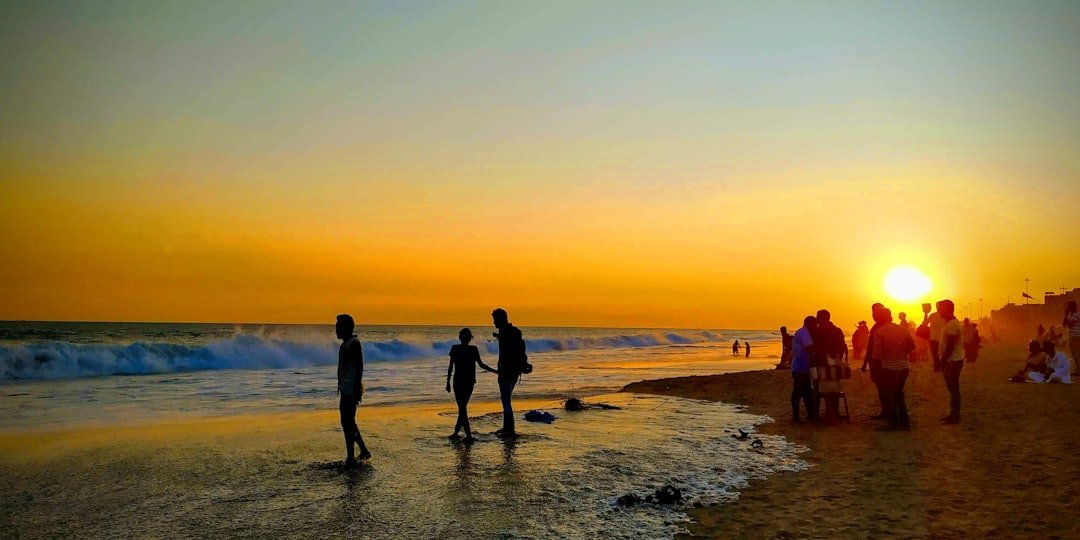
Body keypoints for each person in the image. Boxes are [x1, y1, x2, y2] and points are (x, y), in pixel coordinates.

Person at [446, 328, 498, 442]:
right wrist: (495, 371)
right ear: (470, 338)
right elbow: (481, 365)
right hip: (466, 382)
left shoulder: (457, 348)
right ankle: (459, 433)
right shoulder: (471, 349)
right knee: (462, 407)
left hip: (460, 381)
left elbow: (451, 367)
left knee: (462, 408)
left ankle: (464, 434)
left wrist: (448, 382)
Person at [871, 308, 916, 430]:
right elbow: (912, 346)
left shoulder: (880, 332)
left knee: (891, 395)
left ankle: (895, 423)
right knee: (899, 394)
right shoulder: (902, 329)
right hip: (904, 367)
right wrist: (901, 353)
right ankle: (904, 421)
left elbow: (876, 354)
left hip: (890, 368)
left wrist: (876, 369)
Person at [336, 314, 371, 467]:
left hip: (351, 389)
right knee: (347, 422)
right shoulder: (345, 345)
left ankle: (351, 456)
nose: (336, 329)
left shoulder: (353, 343)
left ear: (346, 328)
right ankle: (362, 451)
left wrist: (357, 388)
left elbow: (359, 367)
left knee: (347, 421)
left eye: (338, 326)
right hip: (346, 388)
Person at [492, 308, 528, 437]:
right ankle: (507, 427)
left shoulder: (507, 333)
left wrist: (500, 337)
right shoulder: (513, 332)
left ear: (501, 319)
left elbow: (511, 349)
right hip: (514, 370)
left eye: (495, 319)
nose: (493, 322)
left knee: (506, 400)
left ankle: (509, 429)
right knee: (507, 399)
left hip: (507, 370)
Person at [811, 309, 848, 423]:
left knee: (818, 389)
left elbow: (813, 347)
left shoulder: (816, 331)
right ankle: (834, 413)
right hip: (833, 363)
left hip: (820, 364)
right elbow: (842, 346)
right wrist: (838, 358)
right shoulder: (837, 330)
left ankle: (817, 415)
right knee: (833, 389)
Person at [938, 300, 964, 424]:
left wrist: (942, 360)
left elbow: (950, 345)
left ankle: (955, 415)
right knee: (952, 388)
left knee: (953, 388)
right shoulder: (950, 324)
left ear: (948, 309)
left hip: (953, 360)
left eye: (941, 309)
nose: (939, 311)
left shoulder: (952, 325)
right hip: (952, 359)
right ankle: (953, 414)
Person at [861, 303, 888, 419]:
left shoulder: (879, 328)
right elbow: (869, 347)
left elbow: (872, 347)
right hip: (877, 362)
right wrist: (866, 362)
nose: (873, 315)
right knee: (882, 387)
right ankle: (886, 411)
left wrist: (866, 362)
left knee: (883, 388)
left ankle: (887, 412)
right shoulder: (877, 327)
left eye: (875, 312)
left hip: (880, 362)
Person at [790, 316, 816, 423]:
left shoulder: (799, 332)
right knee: (798, 392)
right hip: (801, 366)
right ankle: (795, 417)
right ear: (809, 324)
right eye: (815, 325)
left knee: (806, 392)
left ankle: (810, 415)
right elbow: (810, 348)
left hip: (800, 366)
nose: (816, 327)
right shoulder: (805, 333)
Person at [925, 303, 945, 372]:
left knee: (936, 354)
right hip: (938, 338)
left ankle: (937, 367)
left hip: (936, 338)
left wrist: (925, 314)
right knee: (938, 354)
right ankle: (938, 367)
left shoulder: (934, 315)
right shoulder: (944, 316)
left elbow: (925, 324)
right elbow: (925, 324)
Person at [1064, 301, 1080, 375]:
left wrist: (1068, 317)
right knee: (1074, 353)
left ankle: (1079, 370)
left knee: (1077, 353)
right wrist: (1066, 314)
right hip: (1071, 336)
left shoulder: (1077, 314)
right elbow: (1064, 324)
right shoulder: (1070, 314)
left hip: (1077, 336)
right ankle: (1077, 369)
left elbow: (1069, 325)